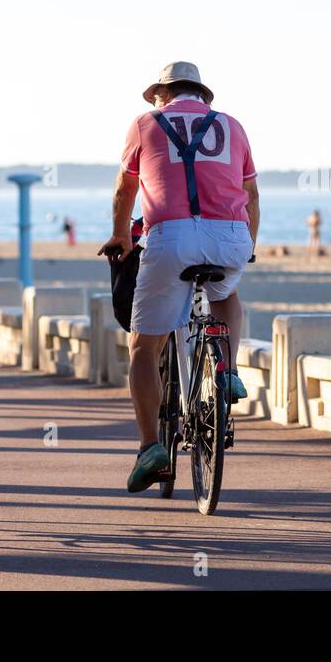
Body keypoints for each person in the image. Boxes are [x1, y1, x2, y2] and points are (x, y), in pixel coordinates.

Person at [99, 61, 260, 494]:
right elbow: (250, 196)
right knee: (226, 293)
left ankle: (151, 446)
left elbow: (124, 191)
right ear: (202, 95)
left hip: (170, 238)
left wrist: (120, 236)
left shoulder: (145, 123)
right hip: (229, 236)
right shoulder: (232, 126)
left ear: (162, 95)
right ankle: (228, 370)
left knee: (143, 346)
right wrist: (247, 246)